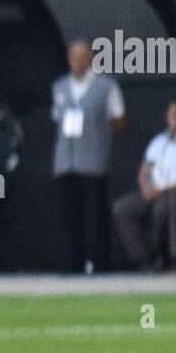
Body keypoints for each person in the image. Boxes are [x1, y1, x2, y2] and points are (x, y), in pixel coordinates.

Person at [51, 38, 126, 273]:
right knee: (68, 215)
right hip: (66, 161)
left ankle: (96, 261)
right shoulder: (59, 87)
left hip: (93, 161)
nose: (78, 62)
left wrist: (100, 138)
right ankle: (70, 260)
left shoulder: (106, 86)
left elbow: (118, 119)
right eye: (74, 57)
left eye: (83, 57)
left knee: (95, 215)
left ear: (91, 59)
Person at [111, 97, 176, 272]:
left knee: (165, 205)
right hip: (153, 191)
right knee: (122, 208)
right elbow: (144, 170)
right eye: (173, 115)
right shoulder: (159, 141)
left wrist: (163, 190)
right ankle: (144, 259)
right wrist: (145, 188)